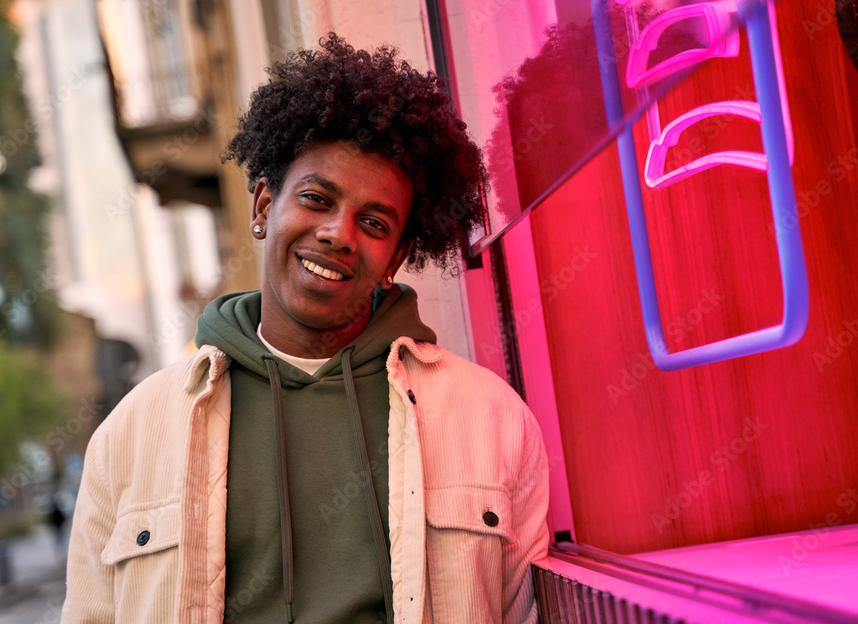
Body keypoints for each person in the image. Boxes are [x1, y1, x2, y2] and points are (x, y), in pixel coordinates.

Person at [62, 33, 549, 624]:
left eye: (373, 222)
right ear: (264, 207)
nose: (338, 234)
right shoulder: (132, 436)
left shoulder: (491, 420)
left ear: (394, 258)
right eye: (317, 199)